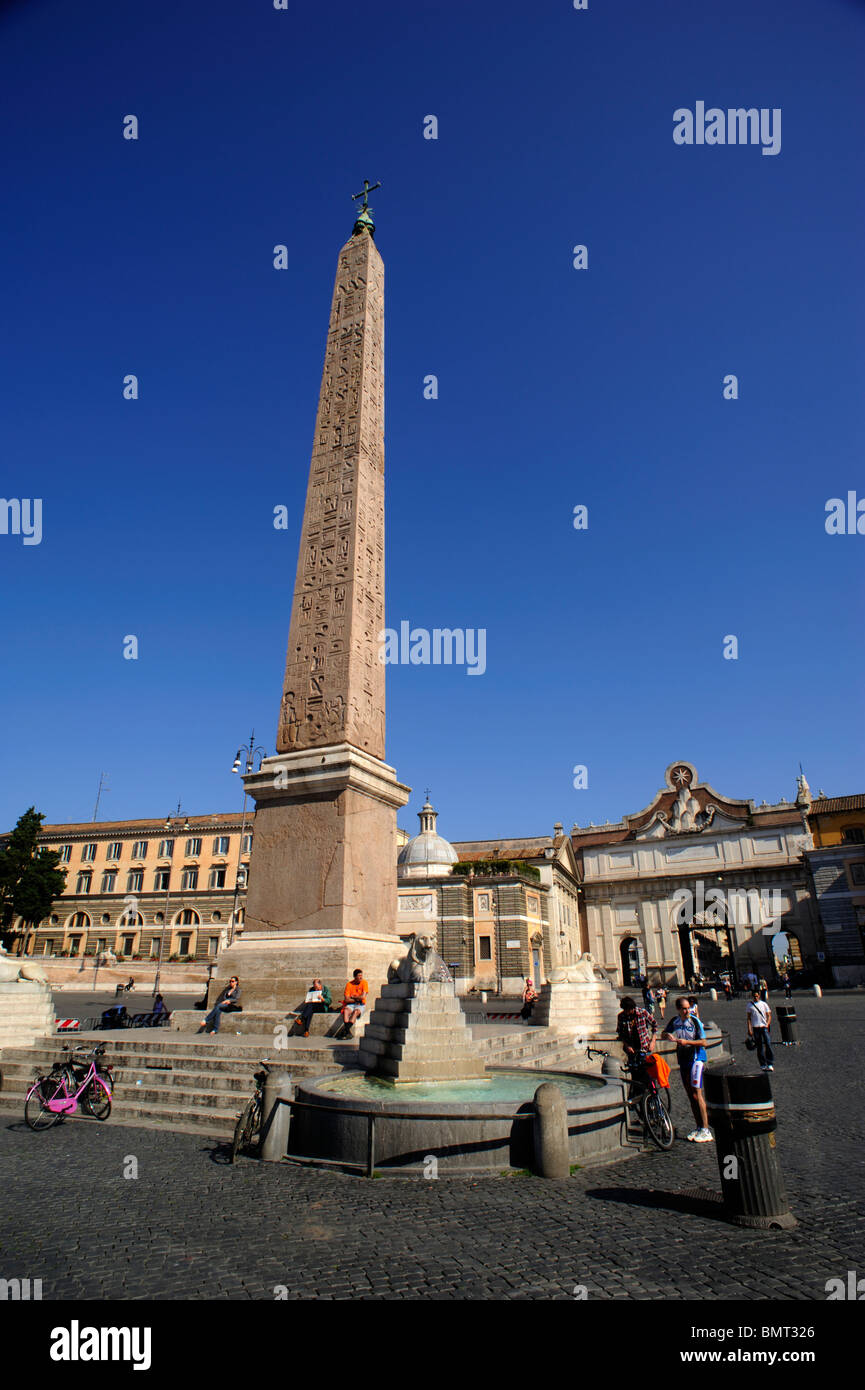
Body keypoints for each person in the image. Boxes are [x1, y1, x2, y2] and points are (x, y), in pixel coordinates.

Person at [661, 996, 712, 1143]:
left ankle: (706, 1129)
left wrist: (687, 1042)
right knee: (690, 1095)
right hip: (683, 1060)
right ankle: (698, 1127)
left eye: (688, 1007)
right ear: (678, 1009)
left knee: (697, 1094)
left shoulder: (695, 1021)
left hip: (696, 1059)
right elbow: (664, 1033)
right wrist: (668, 1036)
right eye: (683, 1008)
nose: (686, 1010)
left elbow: (704, 1042)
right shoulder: (674, 1021)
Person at [616, 995, 657, 1080]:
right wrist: (627, 1045)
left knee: (646, 1072)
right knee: (634, 1073)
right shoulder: (621, 1016)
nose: (626, 1013)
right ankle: (638, 1092)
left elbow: (654, 1024)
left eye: (628, 1010)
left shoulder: (642, 1013)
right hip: (632, 1050)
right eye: (625, 1010)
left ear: (632, 1008)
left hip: (644, 1047)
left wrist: (653, 1041)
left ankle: (649, 1091)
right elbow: (620, 1033)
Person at [746, 989, 774, 1071]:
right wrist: (749, 1029)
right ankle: (762, 1064)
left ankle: (770, 1063)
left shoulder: (764, 1004)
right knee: (759, 1046)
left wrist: (767, 1024)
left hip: (763, 1027)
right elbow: (748, 1018)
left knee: (768, 1044)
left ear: (759, 996)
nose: (756, 997)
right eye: (754, 996)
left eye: (757, 996)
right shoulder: (749, 1005)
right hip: (755, 1027)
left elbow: (769, 1015)